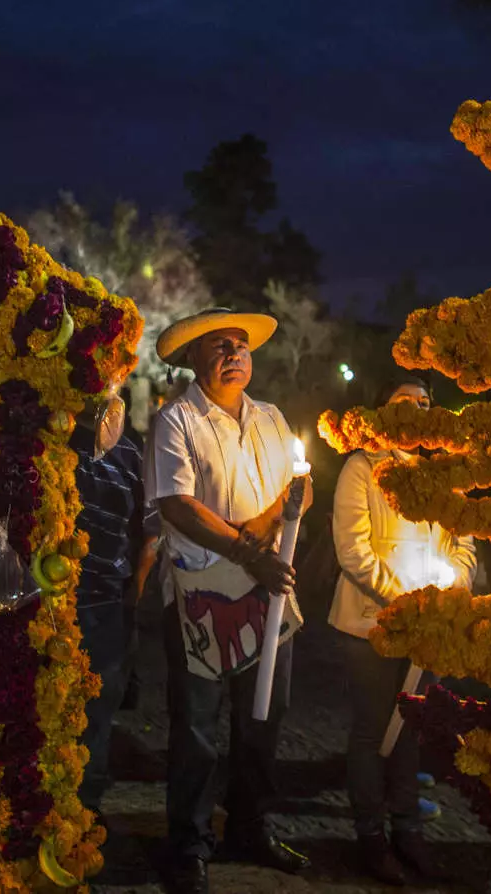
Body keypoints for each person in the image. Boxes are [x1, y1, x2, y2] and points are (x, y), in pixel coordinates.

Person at [147, 307, 312, 894]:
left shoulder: (270, 417)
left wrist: (265, 531)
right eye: (219, 345)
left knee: (263, 716)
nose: (234, 354)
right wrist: (250, 549)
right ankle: (188, 843)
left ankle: (249, 826)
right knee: (195, 726)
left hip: (267, 590)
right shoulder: (176, 420)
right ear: (193, 358)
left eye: (240, 345)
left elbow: (301, 486)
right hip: (200, 596)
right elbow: (177, 506)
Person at [329, 375, 476, 885]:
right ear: (381, 410)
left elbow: (465, 546)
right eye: (403, 400)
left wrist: (450, 586)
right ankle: (370, 839)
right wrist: (407, 603)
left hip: (428, 626)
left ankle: (408, 832)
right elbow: (354, 552)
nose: (416, 407)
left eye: (425, 402)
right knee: (373, 733)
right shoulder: (362, 468)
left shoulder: (444, 474)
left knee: (412, 731)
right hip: (371, 627)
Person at [70, 383, 151, 818]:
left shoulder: (131, 452)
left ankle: (84, 814)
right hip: (52, 598)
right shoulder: (53, 442)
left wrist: (134, 593)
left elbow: (147, 529)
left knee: (96, 717)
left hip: (107, 602)